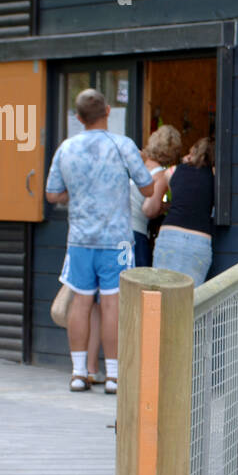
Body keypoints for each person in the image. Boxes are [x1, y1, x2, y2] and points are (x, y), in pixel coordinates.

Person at [45, 89, 154, 394]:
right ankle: (114, 376)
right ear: (108, 110)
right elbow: (146, 190)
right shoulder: (122, 146)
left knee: (81, 303)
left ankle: (79, 373)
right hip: (118, 241)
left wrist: (77, 195)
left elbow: (52, 195)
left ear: (78, 118)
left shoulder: (66, 149)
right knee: (112, 305)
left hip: (80, 240)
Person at [148, 135, 214, 285]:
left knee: (161, 293)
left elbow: (178, 194)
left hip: (170, 233)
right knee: (191, 298)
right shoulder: (215, 176)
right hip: (199, 238)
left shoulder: (172, 172)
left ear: (194, 151)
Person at [129, 125, 182, 268]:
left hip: (116, 230)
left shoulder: (138, 162)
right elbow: (149, 209)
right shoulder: (161, 175)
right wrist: (166, 206)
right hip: (135, 234)